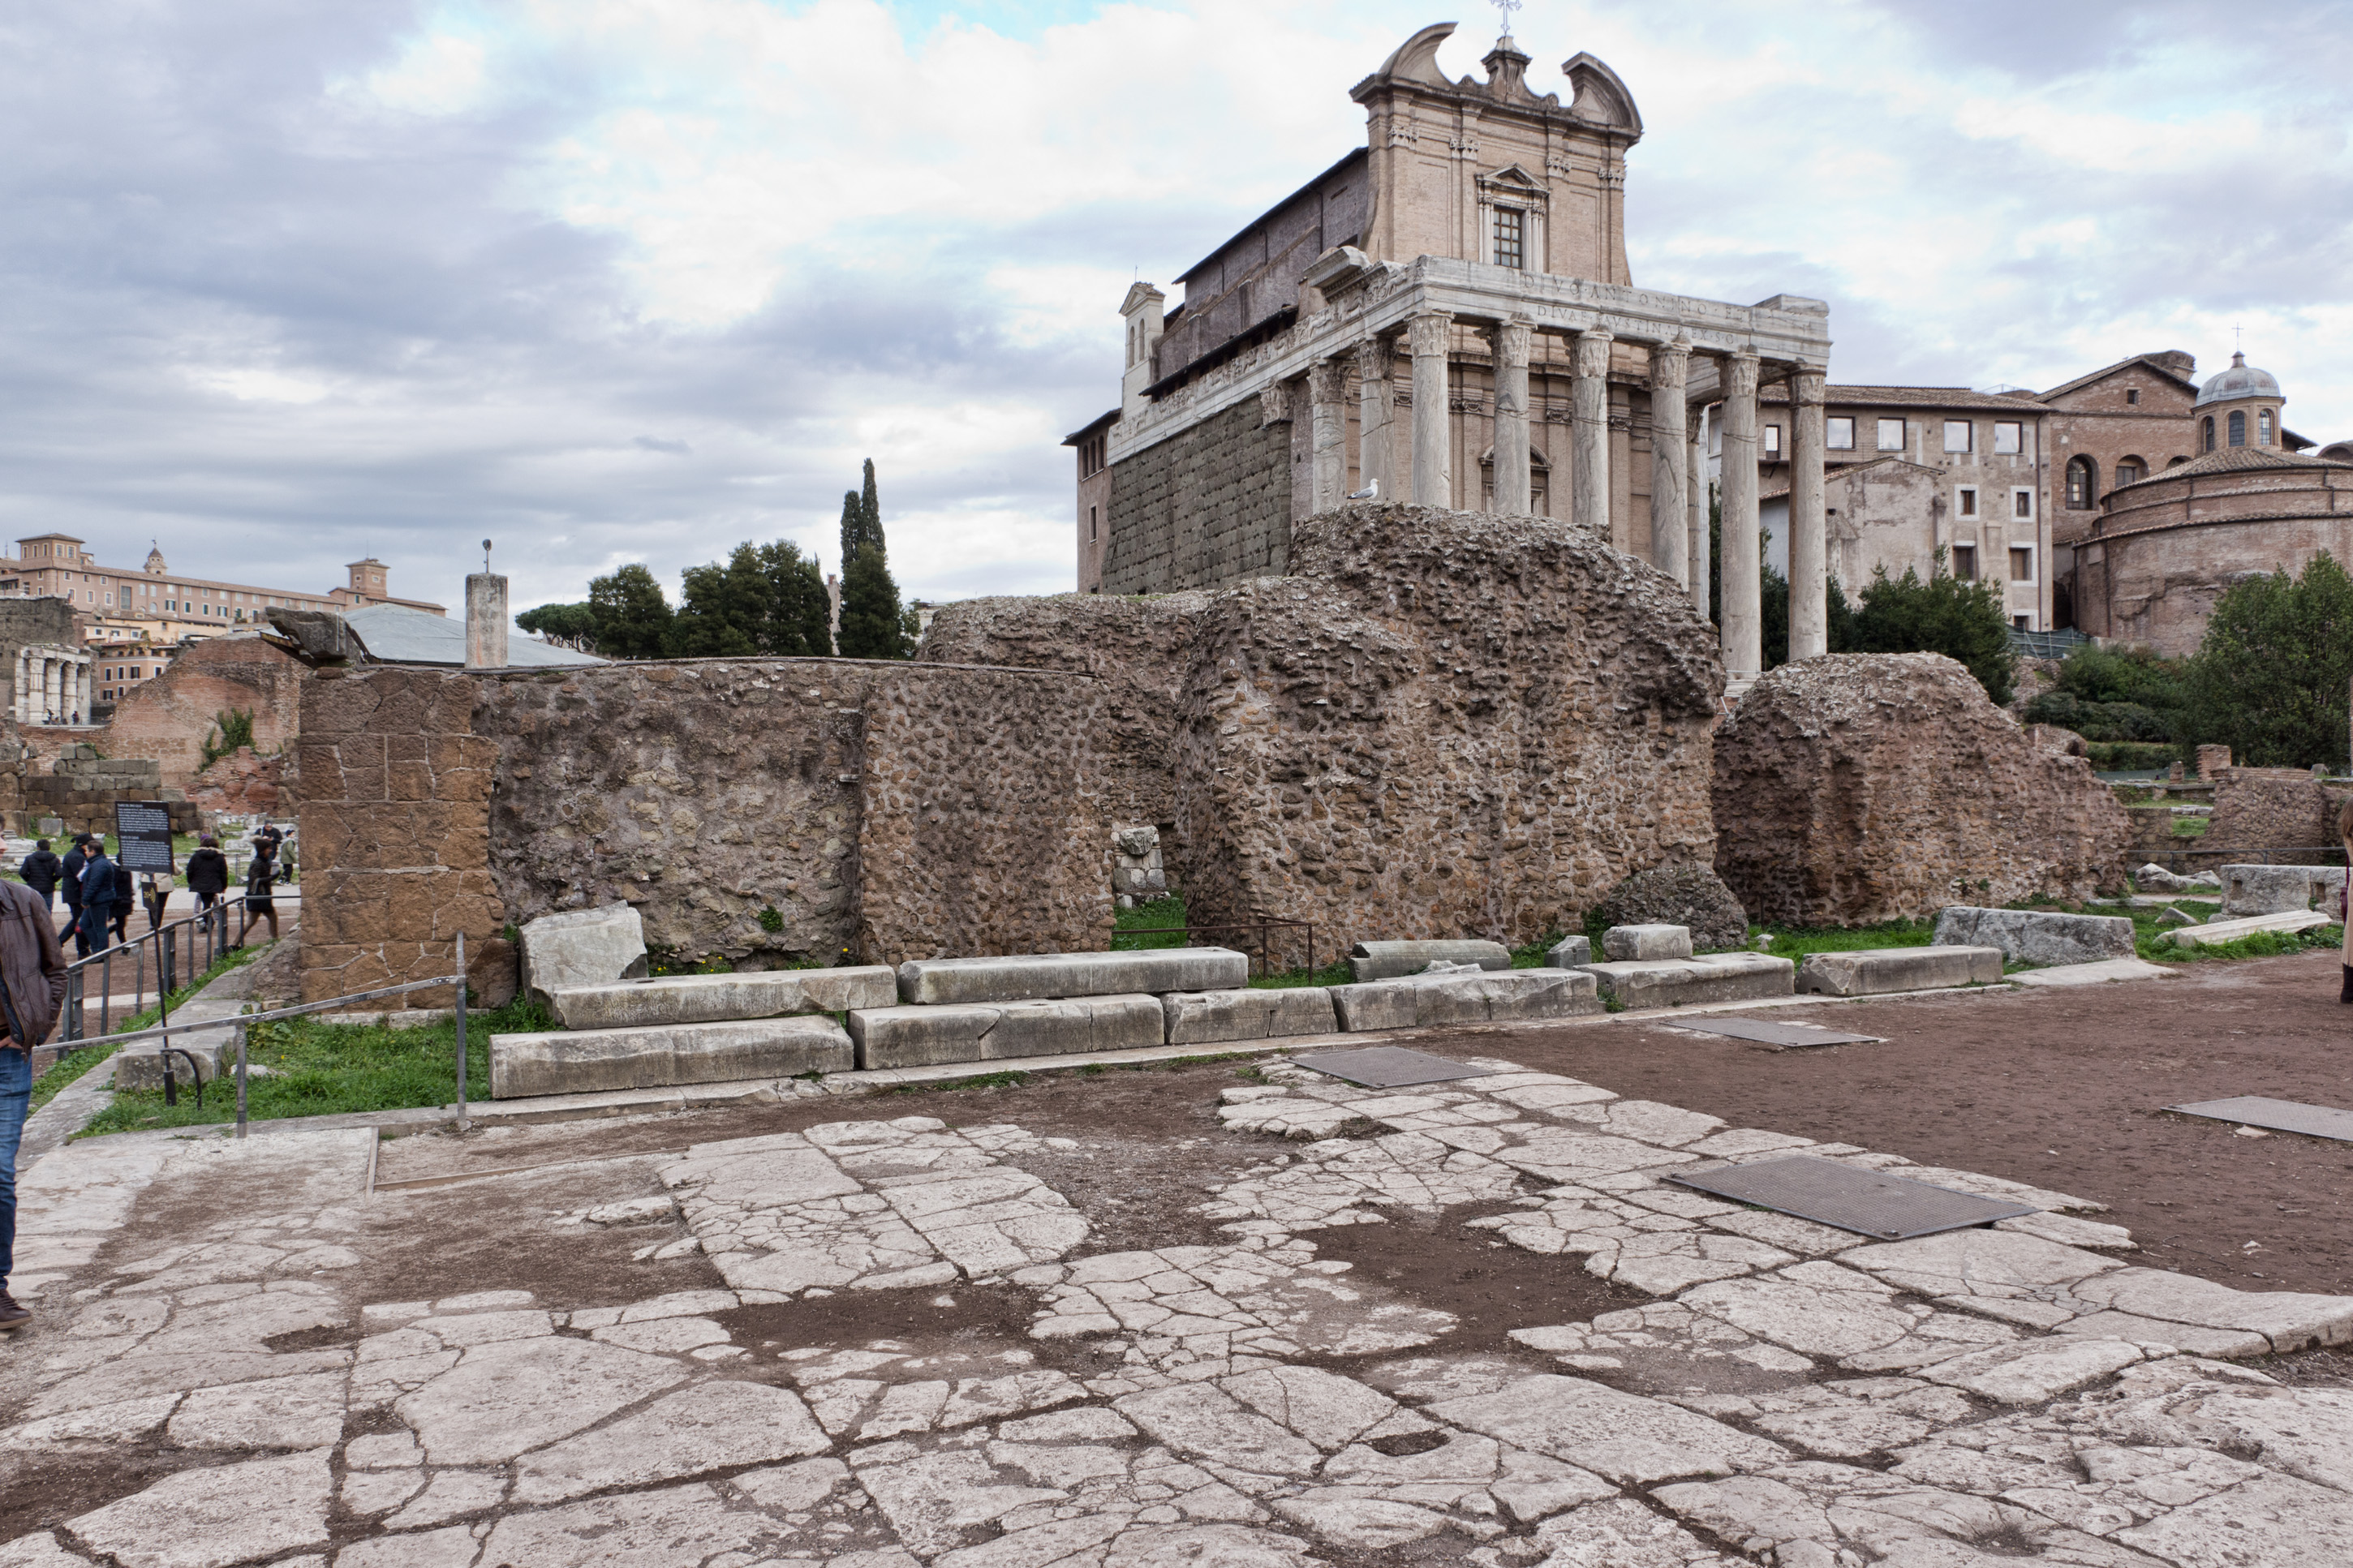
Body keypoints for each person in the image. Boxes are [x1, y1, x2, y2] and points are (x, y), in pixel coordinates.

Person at [0, 866, 71, 1331]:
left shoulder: (24, 903)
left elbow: (56, 971)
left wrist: (36, 1028)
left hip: (7, 1060)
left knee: (0, 1175)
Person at [77, 837, 117, 958]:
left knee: (99, 927)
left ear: (93, 851)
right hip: (97, 899)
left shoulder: (99, 865)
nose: (86, 853)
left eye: (87, 851)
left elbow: (94, 884)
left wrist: (85, 900)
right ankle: (97, 950)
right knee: (85, 924)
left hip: (99, 900)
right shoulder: (99, 863)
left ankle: (102, 953)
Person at [236, 842, 278, 947]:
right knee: (252, 921)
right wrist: (272, 878)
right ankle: (234, 944)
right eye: (269, 848)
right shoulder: (257, 862)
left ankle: (276, 941)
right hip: (258, 897)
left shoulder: (264, 862)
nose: (271, 850)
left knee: (270, 919)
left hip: (263, 896)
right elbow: (254, 880)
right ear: (263, 850)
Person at [58, 836, 91, 958]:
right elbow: (81, 875)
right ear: (83, 844)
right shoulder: (76, 856)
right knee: (80, 921)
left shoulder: (75, 854)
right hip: (75, 893)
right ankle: (82, 950)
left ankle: (59, 942)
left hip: (74, 892)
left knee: (77, 920)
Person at [186, 836, 228, 924]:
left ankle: (207, 922)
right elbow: (223, 873)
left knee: (206, 903)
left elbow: (190, 870)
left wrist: (191, 881)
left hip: (199, 883)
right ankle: (208, 922)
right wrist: (224, 885)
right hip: (214, 883)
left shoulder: (196, 856)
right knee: (207, 904)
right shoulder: (219, 857)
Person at [16, 840, 58, 910]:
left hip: (33, 887)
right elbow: (59, 873)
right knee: (47, 909)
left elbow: (22, 872)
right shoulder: (54, 859)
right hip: (48, 888)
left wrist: (29, 880)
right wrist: (52, 880)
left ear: (38, 848)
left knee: (33, 909)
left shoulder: (29, 858)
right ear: (49, 848)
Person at [110, 858, 135, 944]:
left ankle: (124, 944)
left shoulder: (122, 870)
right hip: (119, 901)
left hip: (122, 900)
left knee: (121, 924)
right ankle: (124, 944)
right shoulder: (117, 871)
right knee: (121, 924)